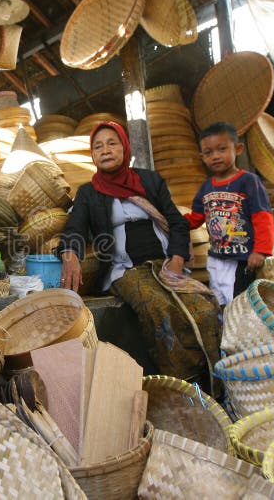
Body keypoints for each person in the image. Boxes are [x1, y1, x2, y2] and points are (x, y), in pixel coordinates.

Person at [58, 121, 221, 393]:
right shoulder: (89, 192)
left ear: (125, 147)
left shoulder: (149, 181)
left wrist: (178, 259)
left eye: (112, 143)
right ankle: (181, 390)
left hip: (164, 265)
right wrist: (70, 254)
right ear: (92, 155)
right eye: (98, 146)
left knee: (205, 310)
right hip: (125, 270)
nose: (105, 150)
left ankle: (214, 385)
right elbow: (74, 228)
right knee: (160, 309)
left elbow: (177, 222)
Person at [183, 122, 274, 307]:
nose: (215, 156)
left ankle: (240, 335)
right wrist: (174, 220)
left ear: (238, 149)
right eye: (208, 153)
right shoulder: (206, 187)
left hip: (243, 259)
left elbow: (262, 216)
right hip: (217, 258)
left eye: (222, 149)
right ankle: (225, 333)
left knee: (240, 304)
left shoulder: (248, 181)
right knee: (219, 301)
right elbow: (196, 217)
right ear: (202, 156)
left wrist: (261, 250)